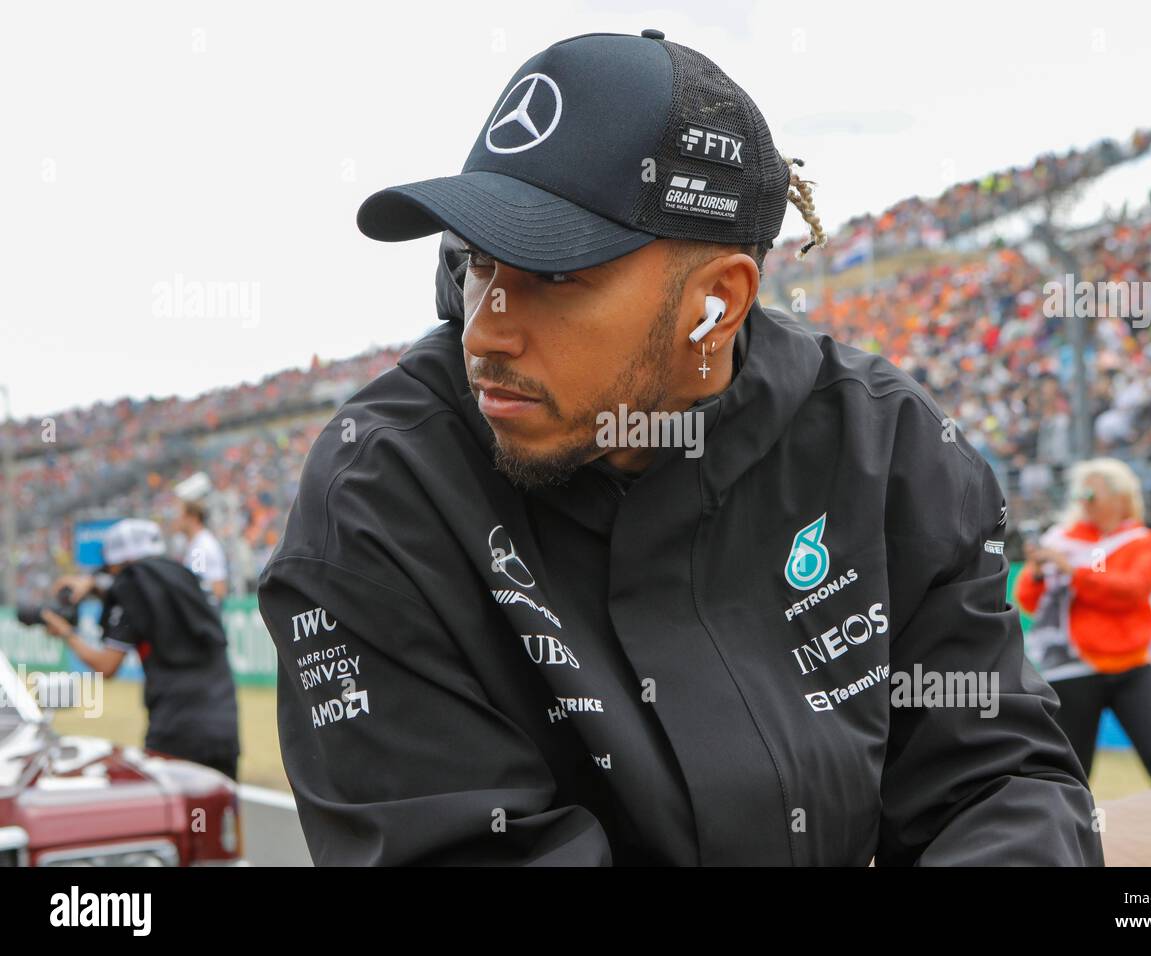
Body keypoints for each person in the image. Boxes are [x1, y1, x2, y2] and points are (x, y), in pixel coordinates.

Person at [258, 29, 1102, 865]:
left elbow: (999, 777)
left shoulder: (889, 448)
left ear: (718, 303)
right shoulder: (381, 490)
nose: (486, 332)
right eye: (478, 262)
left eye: (554, 275)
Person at [1014, 457, 1151, 786]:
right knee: (1073, 773)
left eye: (1093, 495)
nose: (1084, 503)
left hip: (1131, 666)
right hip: (1073, 670)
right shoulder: (1060, 540)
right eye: (1081, 495)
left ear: (1121, 497)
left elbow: (1130, 590)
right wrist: (1036, 572)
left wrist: (1073, 573)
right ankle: (1073, 836)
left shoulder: (1144, 541)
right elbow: (1028, 602)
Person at [40, 519, 241, 780]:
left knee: (174, 815)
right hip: (224, 723)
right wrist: (97, 586)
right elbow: (150, 597)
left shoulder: (128, 590)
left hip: (175, 729)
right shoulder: (188, 580)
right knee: (217, 812)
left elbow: (107, 666)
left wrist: (67, 633)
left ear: (117, 562)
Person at [177, 499, 229, 602]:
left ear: (193, 518)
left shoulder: (201, 547)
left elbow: (199, 584)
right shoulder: (196, 543)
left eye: (181, 516)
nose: (177, 520)